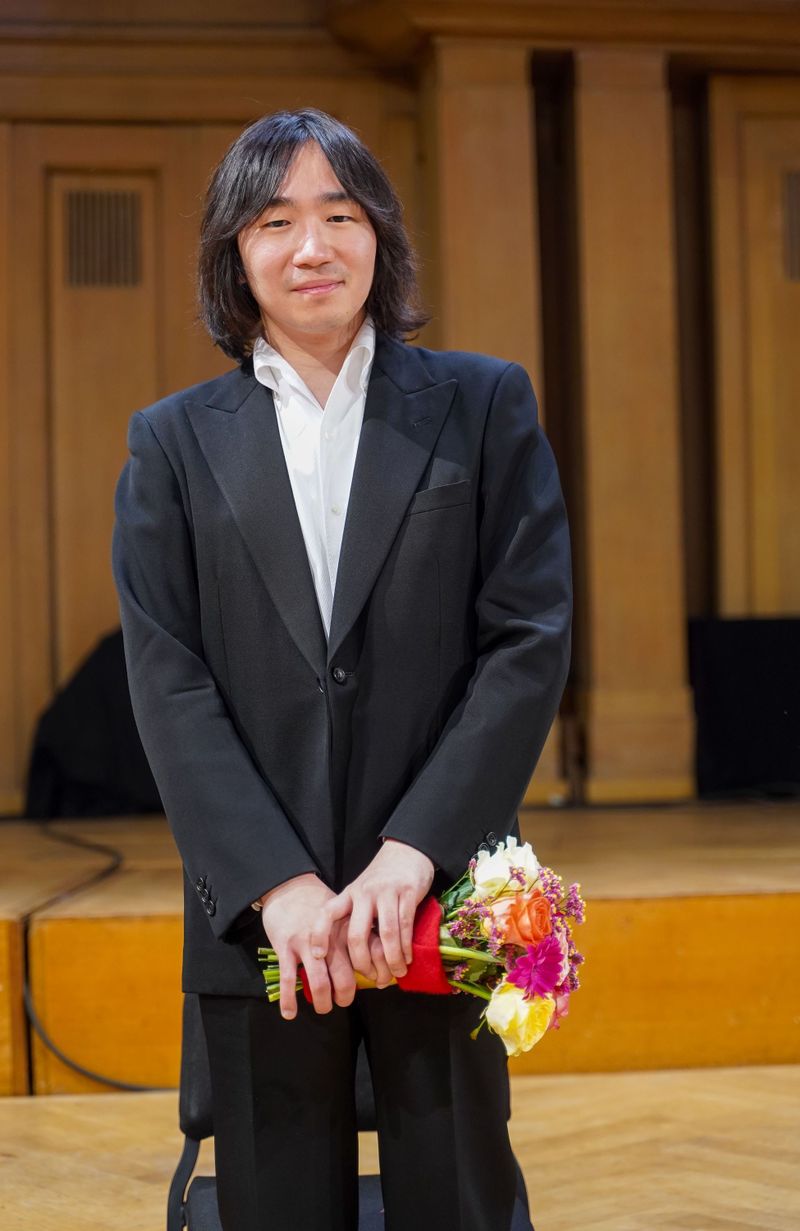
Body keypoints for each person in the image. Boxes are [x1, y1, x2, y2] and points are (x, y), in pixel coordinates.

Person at [112, 107, 572, 1231]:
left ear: (379, 236)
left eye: (337, 214)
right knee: (271, 1200)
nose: (310, 246)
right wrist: (279, 883)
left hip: (441, 893)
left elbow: (527, 639)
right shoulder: (171, 441)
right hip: (262, 913)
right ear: (235, 253)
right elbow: (167, 678)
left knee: (455, 1193)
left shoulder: (480, 402)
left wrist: (414, 852)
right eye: (274, 221)